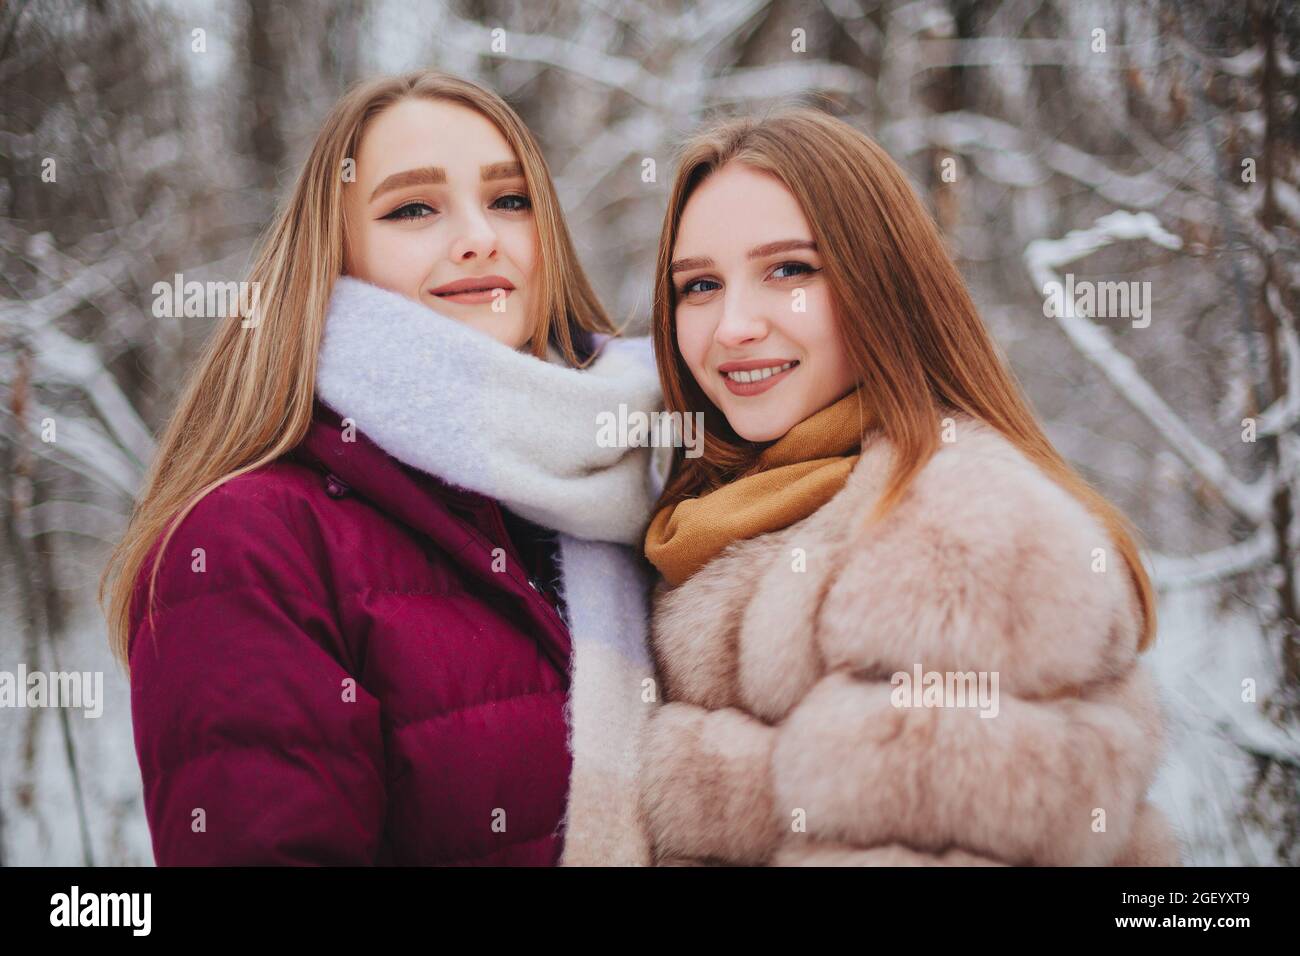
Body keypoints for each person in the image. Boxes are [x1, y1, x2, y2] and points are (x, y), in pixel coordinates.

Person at [100, 70, 660, 866]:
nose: (479, 237)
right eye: (413, 209)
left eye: (509, 200)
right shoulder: (245, 544)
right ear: (335, 258)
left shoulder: (639, 479)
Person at [636, 108, 1183, 866]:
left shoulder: (954, 535)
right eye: (700, 285)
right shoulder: (714, 508)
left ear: (882, 284)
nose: (732, 326)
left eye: (789, 271)